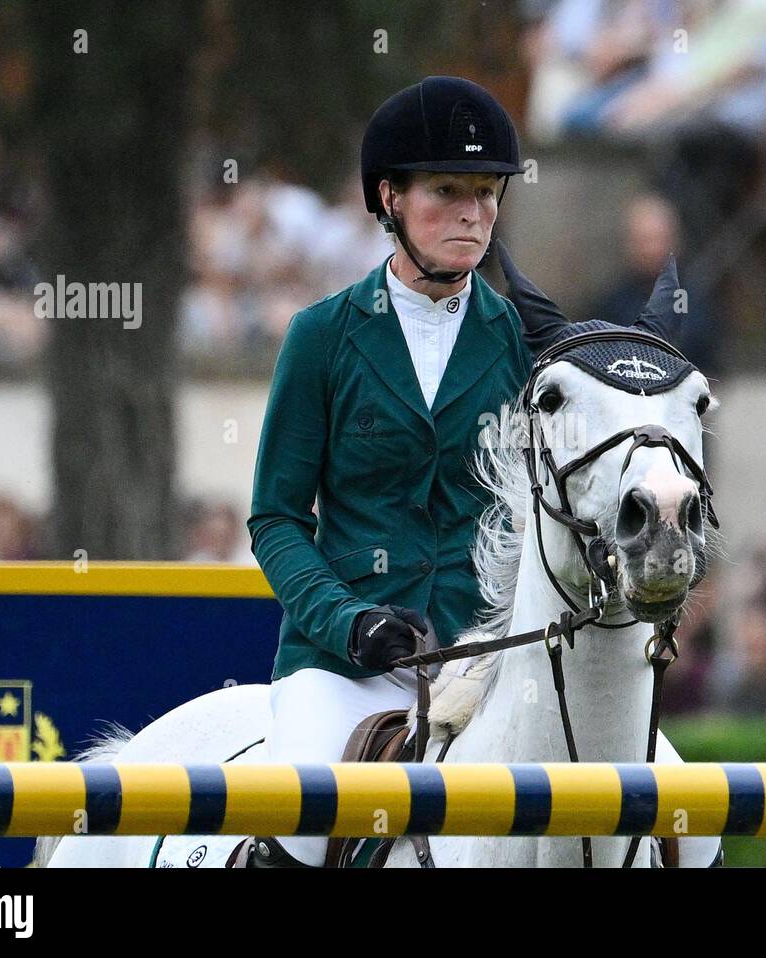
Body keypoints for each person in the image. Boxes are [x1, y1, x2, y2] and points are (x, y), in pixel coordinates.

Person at [246, 76, 532, 866]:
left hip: (489, 663)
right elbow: (274, 519)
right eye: (448, 191)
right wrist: (349, 621)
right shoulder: (322, 336)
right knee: (303, 834)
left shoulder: (523, 343)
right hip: (347, 663)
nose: (474, 213)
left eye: (487, 192)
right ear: (390, 199)